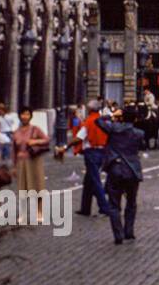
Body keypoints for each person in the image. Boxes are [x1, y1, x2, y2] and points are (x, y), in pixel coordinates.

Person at [96, 110, 145, 244]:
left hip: (116, 169)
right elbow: (141, 147)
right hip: (132, 171)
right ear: (135, 120)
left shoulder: (113, 129)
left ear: (121, 118)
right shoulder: (139, 134)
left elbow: (98, 121)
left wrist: (111, 116)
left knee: (114, 204)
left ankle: (118, 234)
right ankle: (129, 232)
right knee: (131, 202)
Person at [62, 100, 113, 218]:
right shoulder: (104, 120)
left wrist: (67, 146)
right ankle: (85, 207)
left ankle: (104, 207)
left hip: (92, 152)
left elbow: (79, 138)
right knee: (88, 181)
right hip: (103, 151)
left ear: (89, 110)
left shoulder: (89, 121)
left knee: (95, 181)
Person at [11, 107, 50, 217]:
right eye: (23, 114)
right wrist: (13, 166)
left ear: (30, 116)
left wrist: (35, 141)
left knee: (38, 186)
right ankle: (23, 213)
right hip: (21, 162)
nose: (25, 117)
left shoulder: (35, 129)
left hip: (34, 161)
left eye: (27, 114)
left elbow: (46, 139)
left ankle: (39, 212)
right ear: (19, 116)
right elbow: (13, 151)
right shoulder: (16, 132)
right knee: (22, 188)